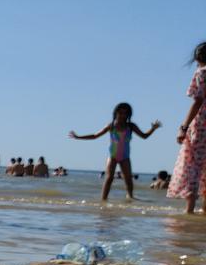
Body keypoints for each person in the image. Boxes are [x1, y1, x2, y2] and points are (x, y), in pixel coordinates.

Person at [69, 102, 161, 201]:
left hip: (125, 157)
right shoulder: (111, 126)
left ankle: (130, 197)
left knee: (128, 179)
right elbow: (95, 136)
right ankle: (103, 199)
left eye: (125, 113)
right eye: (120, 112)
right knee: (109, 178)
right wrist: (78, 137)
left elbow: (144, 136)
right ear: (116, 113)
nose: (122, 115)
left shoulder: (131, 126)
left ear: (128, 114)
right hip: (112, 156)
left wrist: (153, 129)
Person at [168, 42, 206, 213]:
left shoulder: (202, 72)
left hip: (202, 125)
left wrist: (183, 127)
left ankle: (189, 210)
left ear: (198, 57)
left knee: (193, 165)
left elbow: (198, 101)